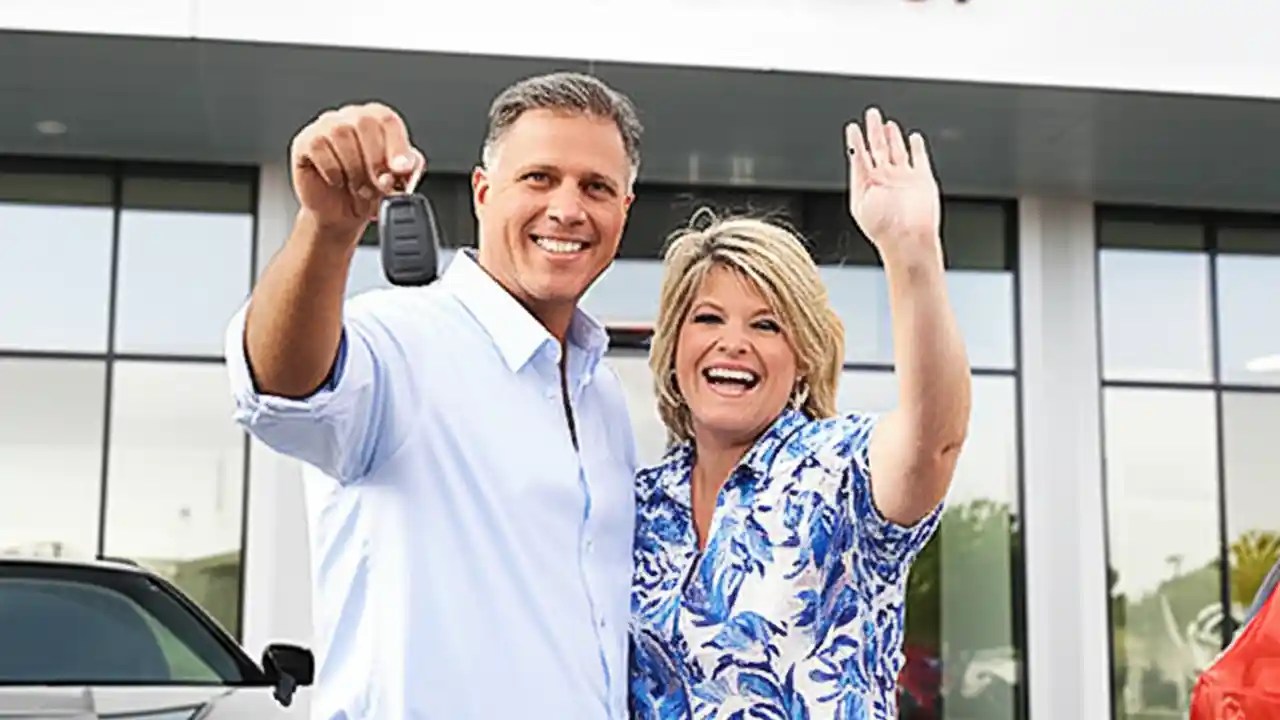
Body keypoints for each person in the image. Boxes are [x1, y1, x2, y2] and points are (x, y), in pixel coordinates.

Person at [224, 72, 643, 719]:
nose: (567, 208)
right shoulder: (399, 343)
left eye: (596, 187)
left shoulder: (603, 395)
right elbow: (281, 386)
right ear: (482, 192)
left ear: (624, 209)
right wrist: (327, 231)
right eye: (538, 178)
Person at [628, 107, 972, 719]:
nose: (733, 343)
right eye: (708, 319)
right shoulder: (635, 505)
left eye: (766, 325)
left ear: (803, 358)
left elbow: (934, 440)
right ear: (673, 346)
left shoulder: (837, 472)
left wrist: (911, 252)